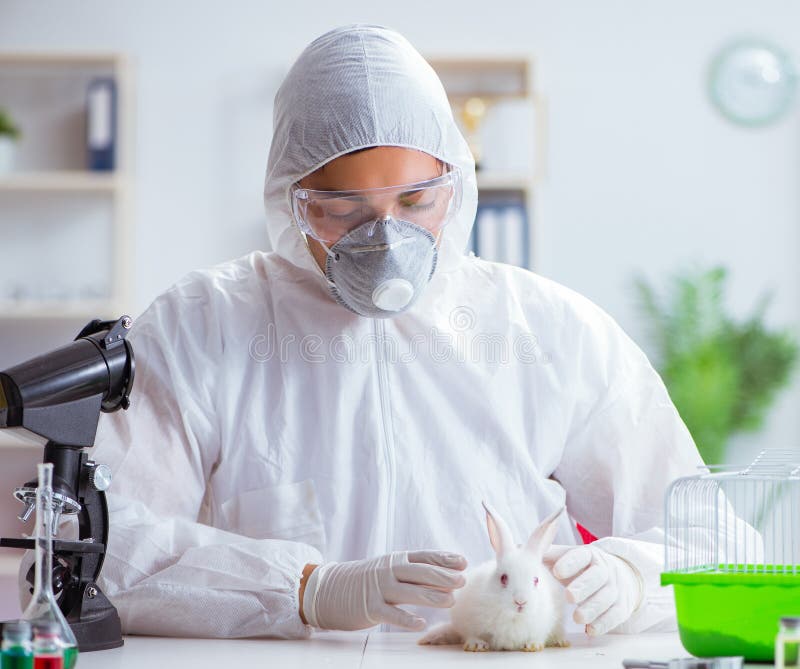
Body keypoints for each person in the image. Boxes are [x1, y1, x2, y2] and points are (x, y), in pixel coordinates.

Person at [89, 24, 704, 640]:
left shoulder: (551, 330)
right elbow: (95, 546)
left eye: (415, 202)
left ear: (456, 185)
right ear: (290, 199)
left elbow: (710, 535)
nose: (385, 240)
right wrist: (302, 588)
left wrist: (632, 575)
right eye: (343, 209)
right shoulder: (201, 325)